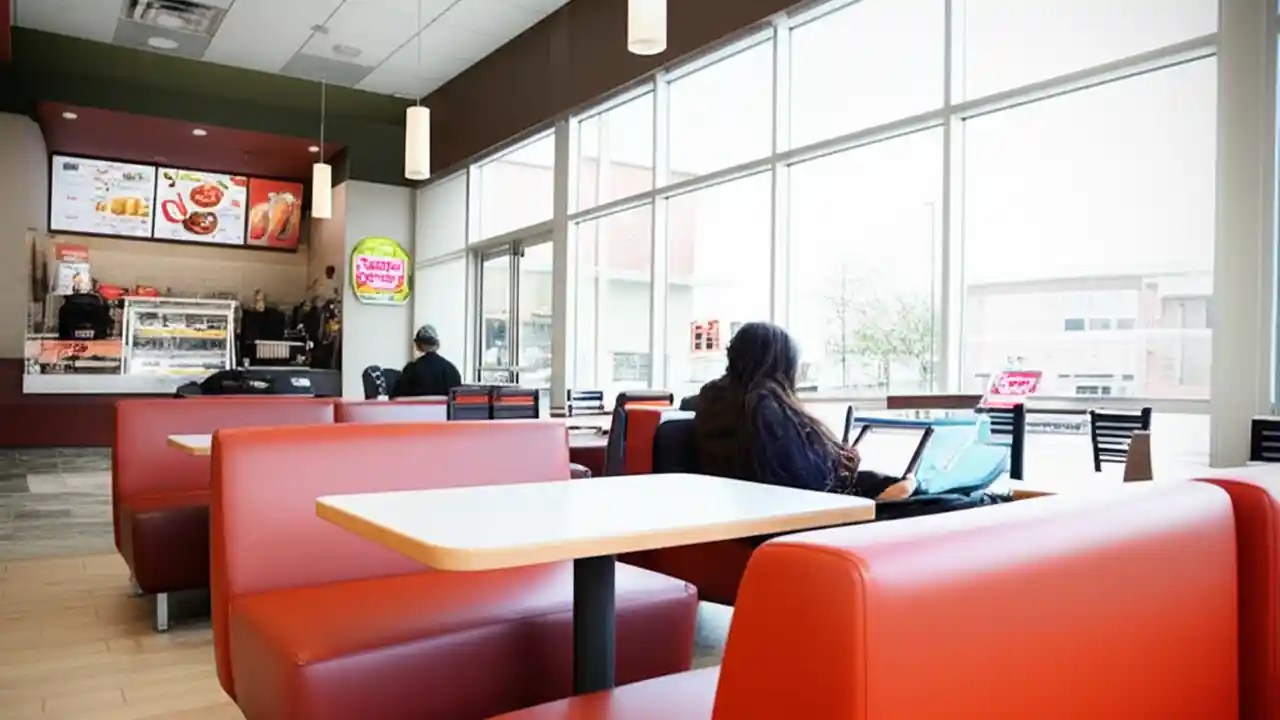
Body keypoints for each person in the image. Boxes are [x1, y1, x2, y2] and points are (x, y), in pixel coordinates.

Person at [694, 322, 916, 501]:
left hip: (755, 507)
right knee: (923, 494)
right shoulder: (766, 407)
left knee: (892, 483)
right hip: (803, 513)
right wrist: (839, 467)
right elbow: (810, 483)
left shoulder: (713, 399)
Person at [391, 325, 463, 398]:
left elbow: (396, 398)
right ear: (437, 344)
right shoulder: (451, 369)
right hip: (444, 409)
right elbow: (457, 400)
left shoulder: (410, 370)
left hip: (415, 409)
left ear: (418, 345)